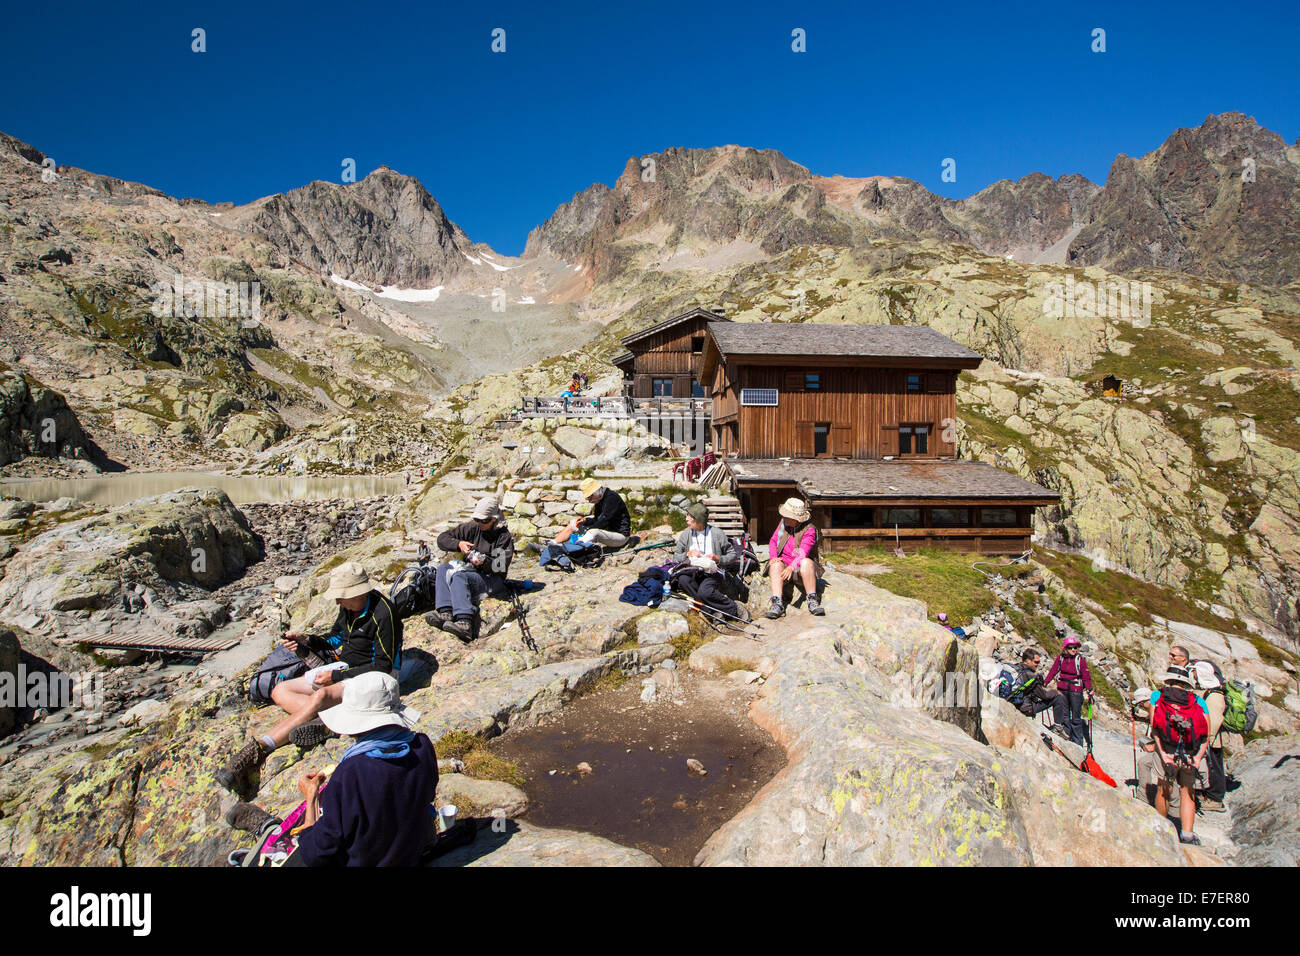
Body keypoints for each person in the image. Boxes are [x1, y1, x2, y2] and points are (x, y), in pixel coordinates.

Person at [218, 562, 402, 789]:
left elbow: (383, 666)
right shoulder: (349, 607)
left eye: (341, 596)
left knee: (320, 696)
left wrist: (336, 677)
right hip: (345, 667)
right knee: (280, 689)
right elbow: (336, 638)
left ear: (358, 592)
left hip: (374, 676)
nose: (337, 601)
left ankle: (261, 747)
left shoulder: (384, 613)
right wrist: (307, 639)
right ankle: (326, 721)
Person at [225, 672, 437, 866]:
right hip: (409, 852)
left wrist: (311, 797)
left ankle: (268, 829)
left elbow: (318, 852)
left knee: (282, 851)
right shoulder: (421, 745)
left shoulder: (352, 773)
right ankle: (269, 829)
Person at [429, 495, 515, 641]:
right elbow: (442, 539)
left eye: (484, 520)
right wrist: (459, 544)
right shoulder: (472, 528)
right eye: (477, 519)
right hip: (472, 572)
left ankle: (464, 622)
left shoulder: (503, 537)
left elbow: (499, 567)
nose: (480, 523)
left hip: (492, 579)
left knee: (459, 577)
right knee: (443, 568)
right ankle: (445, 611)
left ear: (494, 518)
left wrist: (483, 561)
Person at [1151, 666, 1210, 846]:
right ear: (1186, 683)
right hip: (1191, 753)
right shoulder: (1198, 701)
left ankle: (1161, 831)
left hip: (1167, 751)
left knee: (1163, 789)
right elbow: (1206, 733)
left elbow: (1154, 727)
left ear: (1168, 680)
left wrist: (1162, 754)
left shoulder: (1157, 696)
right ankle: (1187, 835)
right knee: (1187, 791)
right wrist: (1198, 757)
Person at [670, 502, 748, 622]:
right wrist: (687, 554)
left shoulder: (717, 534)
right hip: (692, 570)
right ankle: (712, 611)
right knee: (683, 580)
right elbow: (676, 557)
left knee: (704, 592)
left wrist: (718, 559)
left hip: (713, 571)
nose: (686, 519)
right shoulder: (686, 534)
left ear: (698, 520)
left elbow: (732, 555)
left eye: (690, 517)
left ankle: (734, 609)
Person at [538, 479, 630, 570]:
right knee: (574, 523)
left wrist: (587, 530)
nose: (589, 500)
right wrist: (585, 521)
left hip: (621, 536)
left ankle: (566, 549)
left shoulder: (612, 498)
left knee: (593, 532)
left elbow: (604, 521)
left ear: (596, 492)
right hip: (608, 533)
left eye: (590, 497)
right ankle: (553, 544)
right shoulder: (600, 499)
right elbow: (597, 519)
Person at [765, 497, 822, 618]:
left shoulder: (809, 530)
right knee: (775, 564)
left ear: (796, 519)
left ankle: (812, 599)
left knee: (806, 562)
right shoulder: (783, 523)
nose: (783, 517)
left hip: (801, 568)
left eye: (787, 516)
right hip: (784, 564)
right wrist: (773, 557)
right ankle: (777, 603)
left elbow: (802, 553)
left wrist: (791, 567)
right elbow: (773, 540)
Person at [1191, 660, 1228, 811]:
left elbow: (1213, 722)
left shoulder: (1214, 696)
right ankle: (1206, 792)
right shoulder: (1210, 692)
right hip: (1209, 739)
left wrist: (1203, 738)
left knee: (1214, 767)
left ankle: (1215, 799)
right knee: (1211, 766)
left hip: (1211, 740)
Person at [1044, 636, 1093, 746]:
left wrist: (1089, 689)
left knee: (1076, 717)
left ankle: (1077, 742)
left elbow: (1086, 676)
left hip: (1076, 690)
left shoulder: (1079, 660)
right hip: (1063, 689)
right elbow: (1053, 670)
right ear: (1066, 648)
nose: (1074, 650)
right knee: (1065, 714)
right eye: (1071, 648)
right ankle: (1067, 737)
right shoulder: (1061, 658)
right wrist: (1045, 682)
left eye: (1075, 647)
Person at [1012, 647, 1059, 717]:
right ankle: (1059, 726)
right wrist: (1056, 692)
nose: (1038, 664)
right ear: (1028, 661)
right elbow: (1044, 695)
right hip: (1025, 708)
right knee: (1058, 697)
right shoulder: (1031, 676)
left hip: (1012, 702)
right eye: (1036, 662)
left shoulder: (1016, 668)